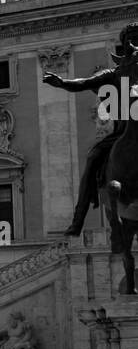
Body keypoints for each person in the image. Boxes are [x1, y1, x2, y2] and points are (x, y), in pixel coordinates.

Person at [42, 25, 138, 234]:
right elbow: (84, 82)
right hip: (120, 134)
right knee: (93, 159)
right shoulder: (114, 74)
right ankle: (78, 222)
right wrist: (62, 82)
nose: (134, 43)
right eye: (131, 40)